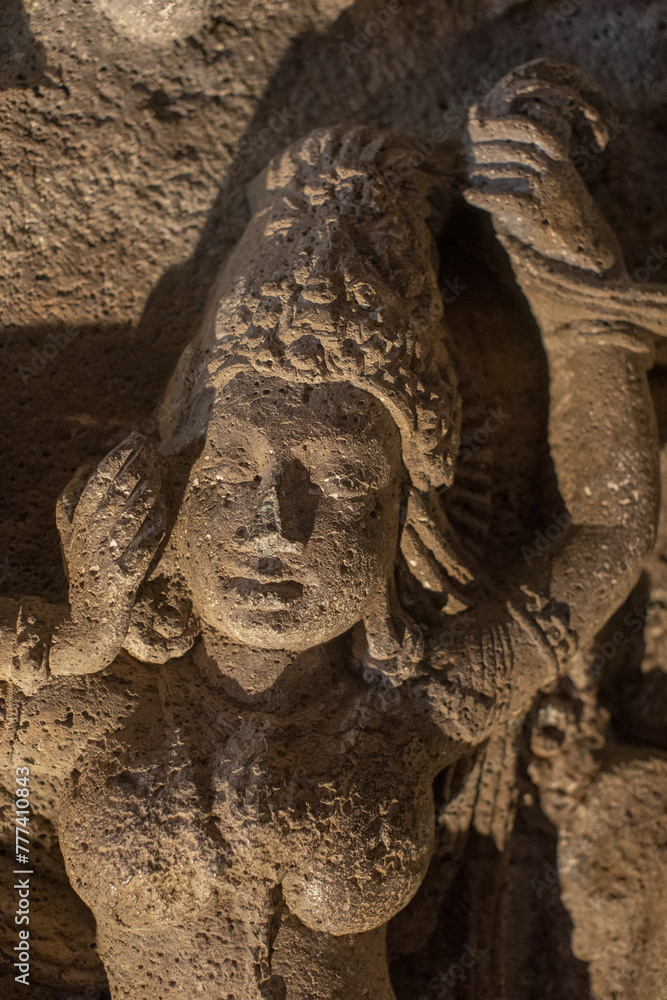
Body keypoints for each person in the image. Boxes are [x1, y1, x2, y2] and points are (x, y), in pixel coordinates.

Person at [1, 60, 662, 1000]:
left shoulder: (415, 707)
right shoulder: (86, 706)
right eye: (230, 472)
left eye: (346, 480)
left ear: (404, 517)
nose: (275, 524)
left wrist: (574, 288)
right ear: (173, 487)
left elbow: (606, 534)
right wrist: (82, 630)